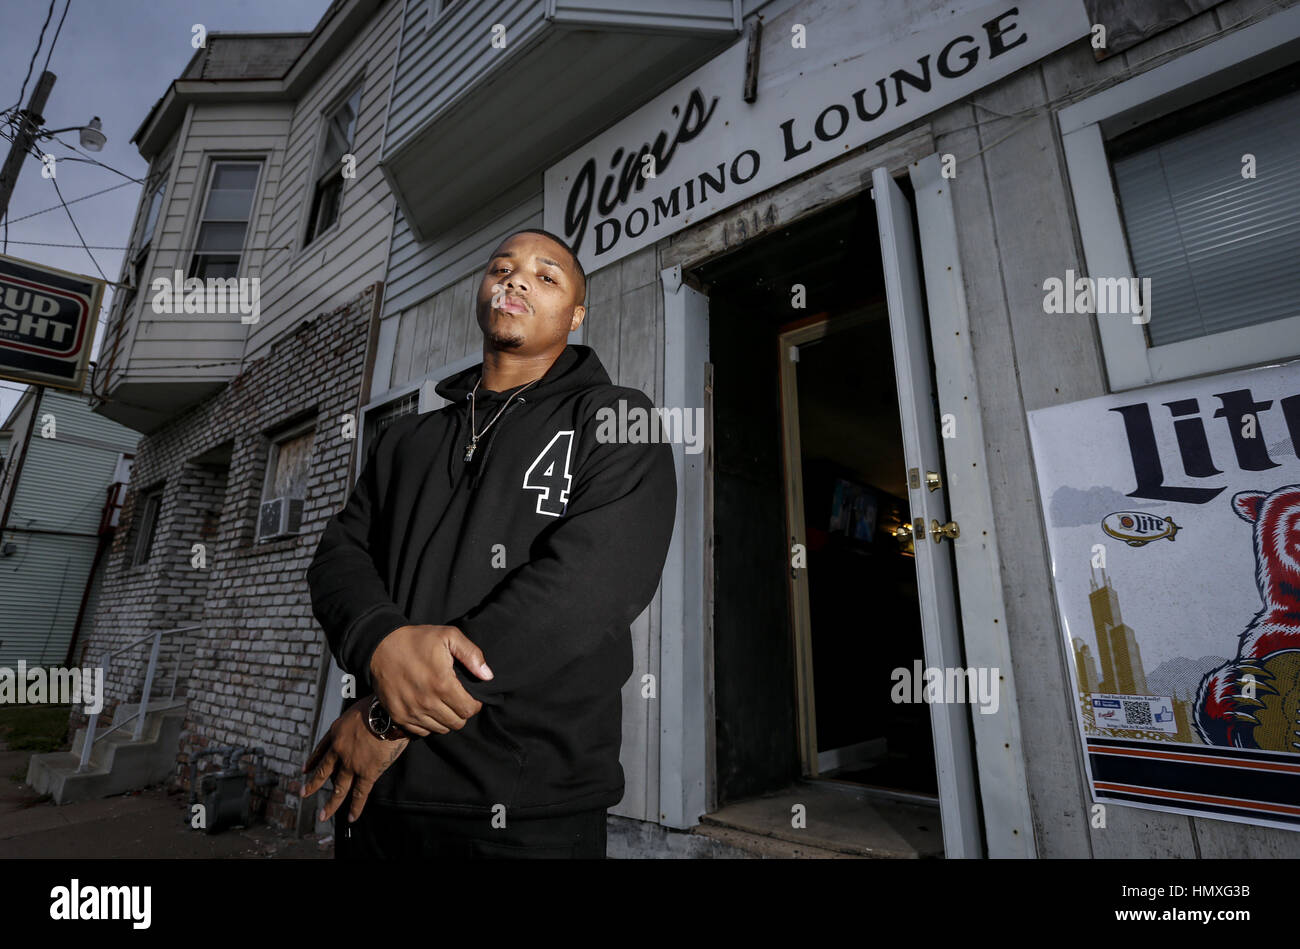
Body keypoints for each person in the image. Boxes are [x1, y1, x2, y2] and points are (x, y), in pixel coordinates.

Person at [301, 228, 677, 859]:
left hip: (529, 808)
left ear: (577, 314)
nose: (516, 279)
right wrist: (378, 638)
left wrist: (388, 718)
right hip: (377, 795)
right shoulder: (405, 441)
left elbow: (588, 588)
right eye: (501, 268)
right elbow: (340, 557)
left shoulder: (616, 419)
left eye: (545, 275)